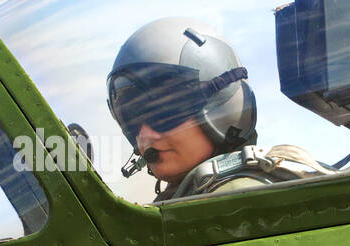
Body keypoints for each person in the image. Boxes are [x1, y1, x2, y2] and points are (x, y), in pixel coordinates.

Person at [106, 17, 302, 201]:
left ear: (221, 106)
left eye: (163, 114)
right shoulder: (187, 198)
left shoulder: (235, 200)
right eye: (131, 121)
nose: (145, 136)